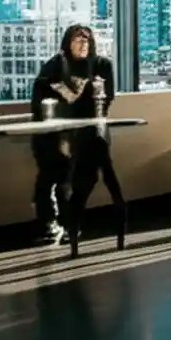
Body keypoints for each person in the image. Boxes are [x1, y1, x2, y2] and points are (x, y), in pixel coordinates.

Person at [30, 25, 121, 248]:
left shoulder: (101, 65)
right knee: (51, 180)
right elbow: (40, 98)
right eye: (78, 40)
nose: (83, 45)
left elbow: (106, 99)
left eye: (87, 41)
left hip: (90, 132)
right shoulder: (55, 65)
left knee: (83, 181)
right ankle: (51, 224)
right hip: (55, 134)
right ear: (68, 42)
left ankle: (72, 224)